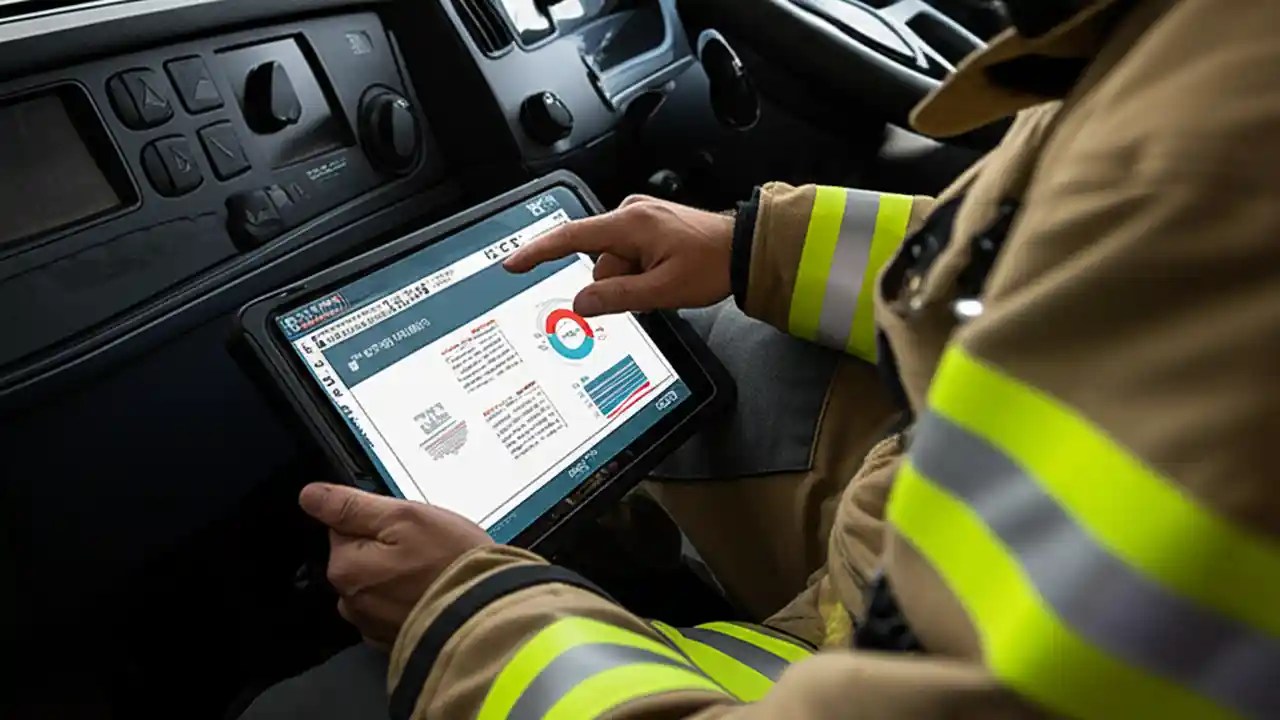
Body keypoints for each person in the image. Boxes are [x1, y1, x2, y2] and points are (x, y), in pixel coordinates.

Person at [240, 0, 1280, 717]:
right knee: (660, 366)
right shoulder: (1193, 53)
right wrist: (745, 245)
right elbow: (1034, 253)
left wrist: (464, 612)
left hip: (855, 656)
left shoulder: (1221, 140)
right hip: (899, 500)